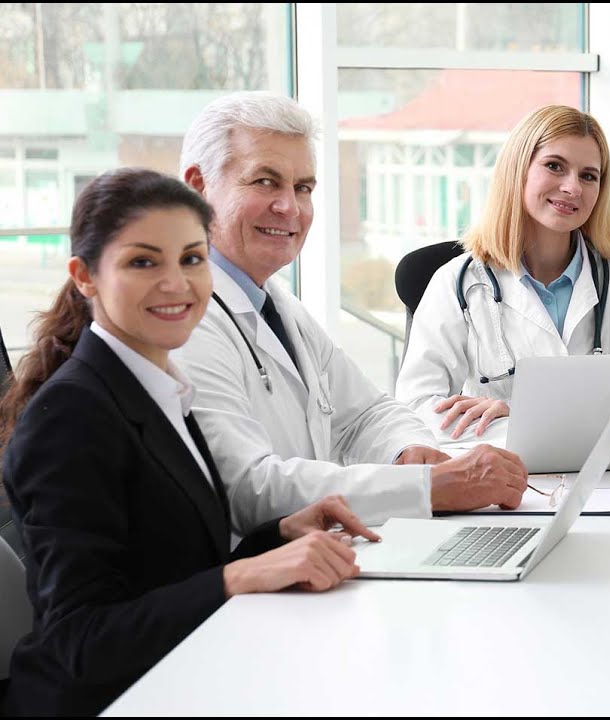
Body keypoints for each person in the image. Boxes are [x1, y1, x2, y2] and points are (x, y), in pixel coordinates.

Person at [0, 169, 378, 716]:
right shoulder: (71, 417)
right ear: (85, 277)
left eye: (192, 259)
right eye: (143, 262)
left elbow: (170, 572)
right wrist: (238, 575)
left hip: (182, 674)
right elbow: (79, 639)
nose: (176, 283)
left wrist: (278, 536)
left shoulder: (158, 388)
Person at [172, 92, 527, 531]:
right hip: (244, 583)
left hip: (320, 556)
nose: (289, 207)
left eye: (302, 188)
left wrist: (409, 452)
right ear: (197, 187)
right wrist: (427, 488)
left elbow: (367, 413)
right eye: (265, 181)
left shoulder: (277, 306)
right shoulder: (182, 321)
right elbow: (248, 489)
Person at [395, 105, 610, 439]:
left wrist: (526, 415)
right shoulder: (458, 281)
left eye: (588, 176)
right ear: (517, 170)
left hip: (606, 473)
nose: (572, 187)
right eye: (554, 166)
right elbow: (416, 408)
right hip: (504, 471)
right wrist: (519, 423)